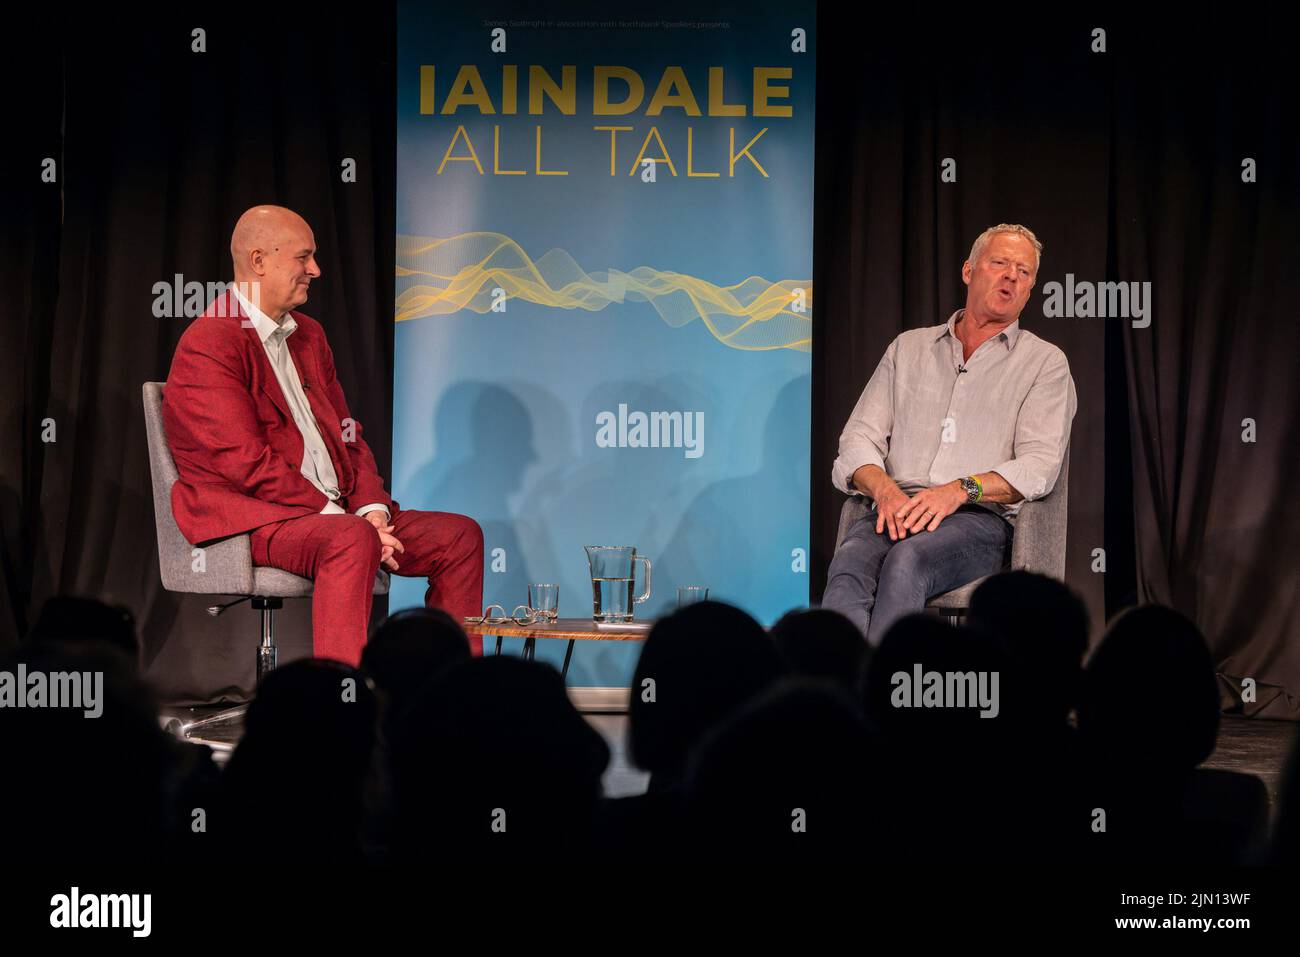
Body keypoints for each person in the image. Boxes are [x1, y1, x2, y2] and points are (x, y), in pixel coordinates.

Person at [163, 205, 484, 661]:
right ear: (259, 261)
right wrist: (344, 520)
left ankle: (450, 700)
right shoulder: (211, 341)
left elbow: (348, 437)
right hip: (257, 517)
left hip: (335, 512)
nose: (315, 269)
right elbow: (244, 463)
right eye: (303, 257)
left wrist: (371, 509)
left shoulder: (309, 335)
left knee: (459, 536)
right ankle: (341, 707)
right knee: (350, 540)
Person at [823, 224, 1076, 644]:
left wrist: (959, 490)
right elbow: (856, 440)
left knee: (907, 559)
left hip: (978, 520)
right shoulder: (908, 349)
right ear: (969, 271)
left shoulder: (1045, 363)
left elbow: (1037, 467)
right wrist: (883, 489)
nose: (1012, 276)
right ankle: (838, 689)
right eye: (1000, 263)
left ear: (1030, 288)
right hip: (898, 506)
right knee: (851, 561)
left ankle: (888, 694)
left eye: (1024, 271)